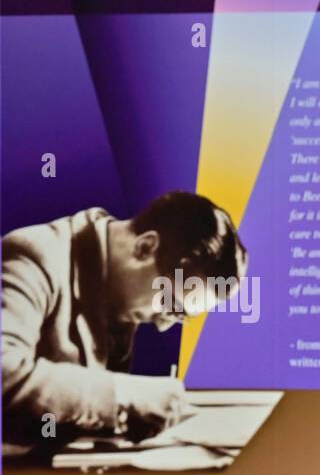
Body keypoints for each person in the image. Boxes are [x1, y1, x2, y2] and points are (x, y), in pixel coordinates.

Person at [2, 191, 247, 448]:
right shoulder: (34, 256)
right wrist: (123, 394)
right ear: (145, 247)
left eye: (180, 317)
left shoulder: (119, 289)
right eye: (169, 305)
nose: (163, 325)